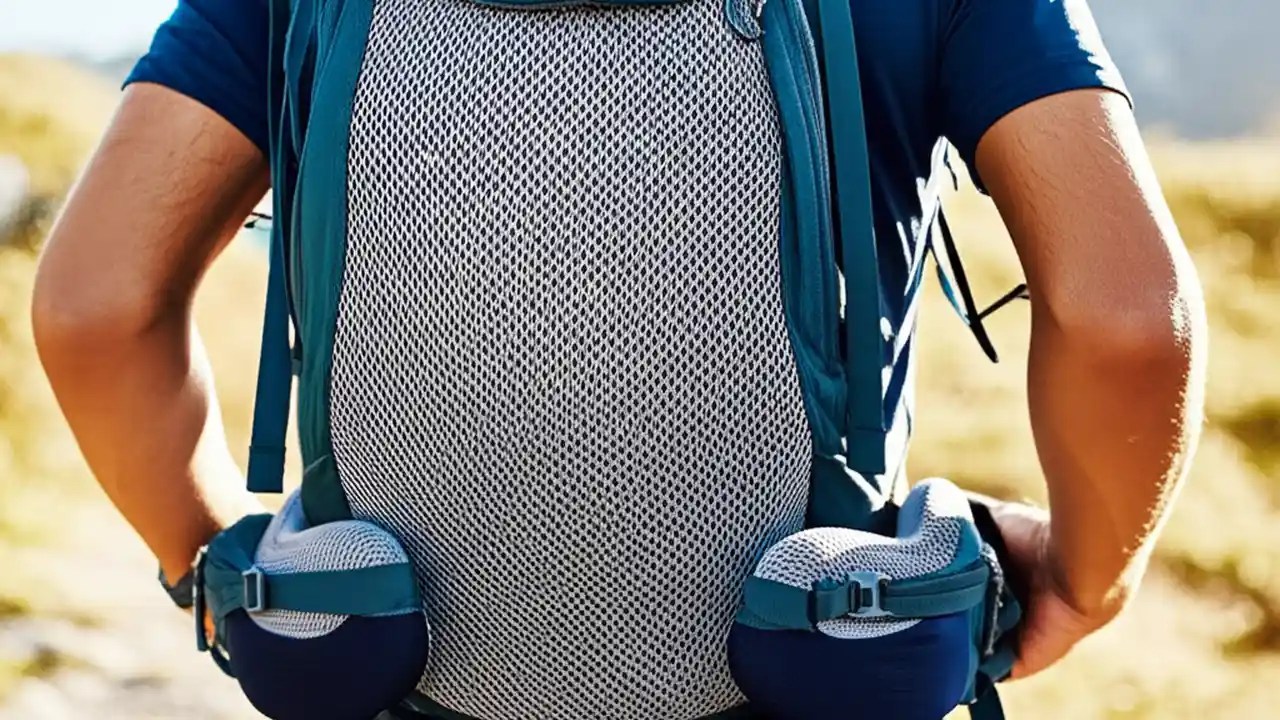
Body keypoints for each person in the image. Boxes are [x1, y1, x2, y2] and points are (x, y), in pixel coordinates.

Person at [31, 0, 1207, 716]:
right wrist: (1080, 583)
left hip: (406, 685)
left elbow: (95, 308)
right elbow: (1122, 320)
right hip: (813, 665)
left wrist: (223, 575)